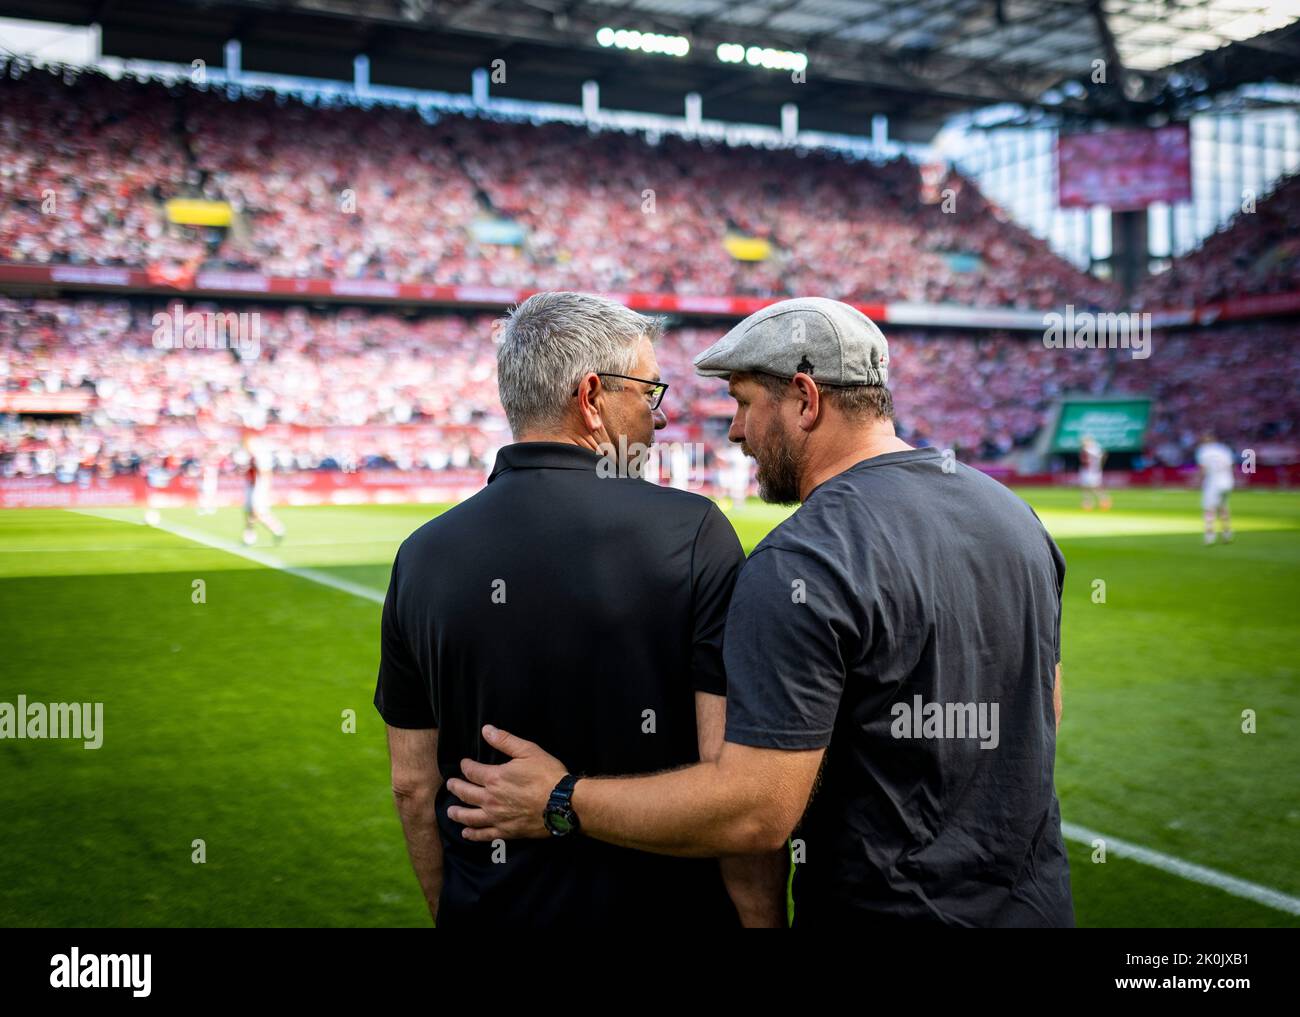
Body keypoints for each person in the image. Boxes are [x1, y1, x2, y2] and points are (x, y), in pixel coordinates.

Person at [448, 297, 1074, 928]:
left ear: (805, 398)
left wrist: (561, 799)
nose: (736, 431)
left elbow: (755, 813)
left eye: (744, 402)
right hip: (1037, 908)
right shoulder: (1016, 518)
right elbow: (1043, 706)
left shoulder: (804, 558)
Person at [373, 291, 783, 928]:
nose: (659, 419)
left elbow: (412, 786)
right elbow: (730, 783)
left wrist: (452, 912)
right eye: (648, 393)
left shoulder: (420, 554)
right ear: (592, 397)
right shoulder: (693, 531)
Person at [240, 440, 285, 546]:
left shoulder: (261, 456)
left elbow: (265, 473)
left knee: (257, 513)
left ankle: (277, 529)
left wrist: (263, 488)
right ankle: (250, 535)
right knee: (248, 511)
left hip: (258, 487)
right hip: (251, 485)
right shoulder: (251, 457)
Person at [1195, 432, 1235, 545]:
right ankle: (1227, 533)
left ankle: (1210, 536)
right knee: (1223, 507)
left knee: (1209, 509)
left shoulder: (1203, 450)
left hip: (1213, 482)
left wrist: (1198, 481)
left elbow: (1203, 469)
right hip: (1227, 481)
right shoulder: (1224, 449)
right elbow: (1230, 465)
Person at [1079, 434, 1110, 510]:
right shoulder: (1085, 449)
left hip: (1093, 470)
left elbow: (1103, 455)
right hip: (1086, 470)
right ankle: (1088, 502)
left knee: (1095, 487)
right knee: (1085, 487)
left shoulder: (1094, 449)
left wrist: (1100, 464)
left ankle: (1104, 499)